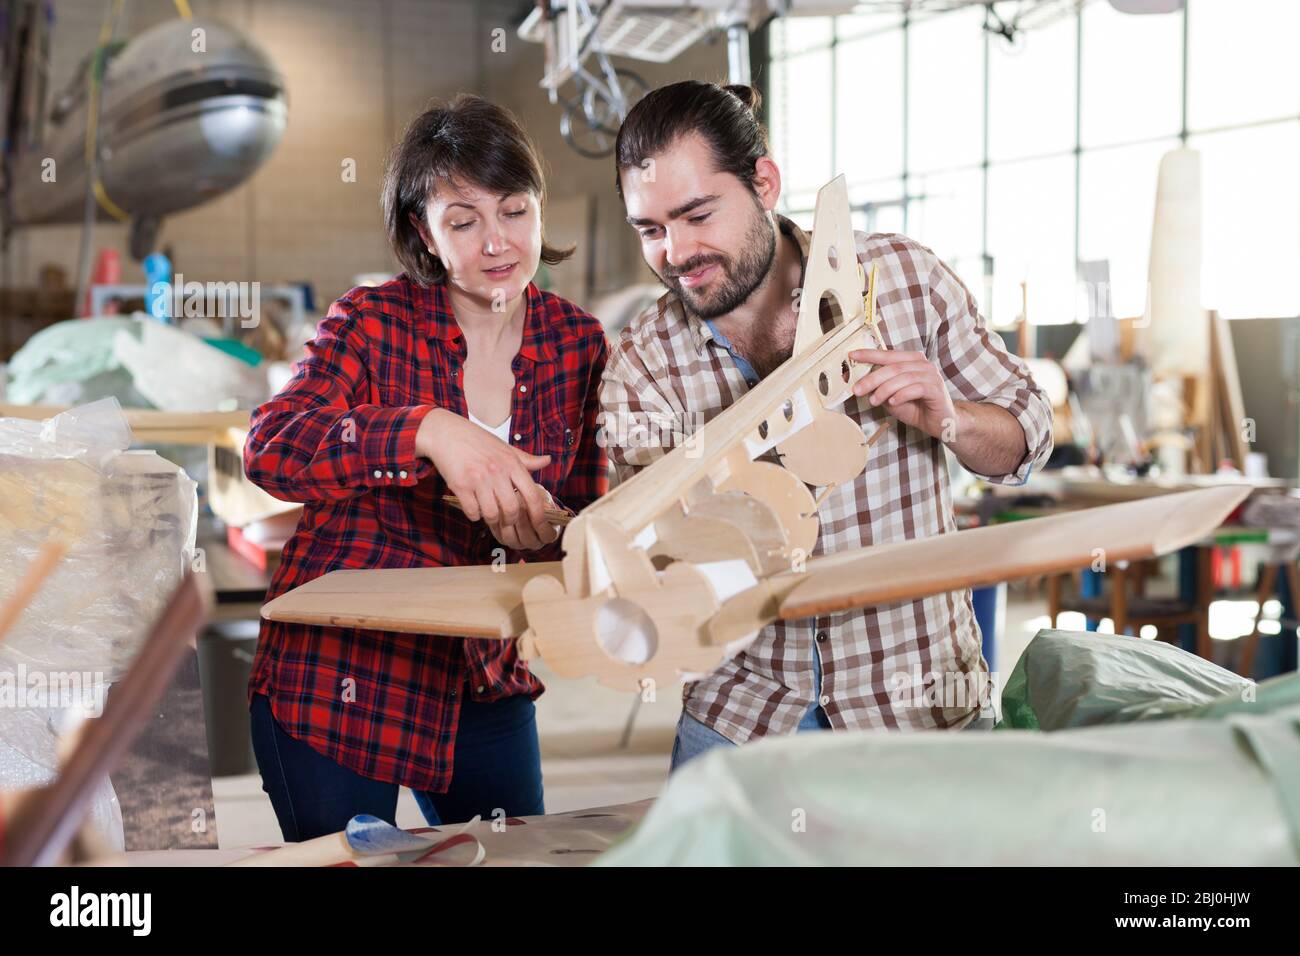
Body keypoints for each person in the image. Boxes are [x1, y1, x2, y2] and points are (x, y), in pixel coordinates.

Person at [602, 80, 1053, 770]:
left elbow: (1028, 435)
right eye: (651, 230)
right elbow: (651, 561)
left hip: (920, 710)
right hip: (743, 721)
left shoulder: (906, 281)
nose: (677, 251)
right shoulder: (643, 360)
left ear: (765, 183)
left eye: (698, 215)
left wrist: (953, 419)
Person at [243, 95, 607, 839]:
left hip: (480, 678)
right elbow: (272, 446)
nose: (497, 243)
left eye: (514, 211)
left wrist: (554, 529)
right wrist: (428, 430)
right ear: (425, 233)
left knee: (513, 858)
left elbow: (582, 520)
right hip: (339, 670)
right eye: (463, 221)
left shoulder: (578, 343)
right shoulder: (371, 321)